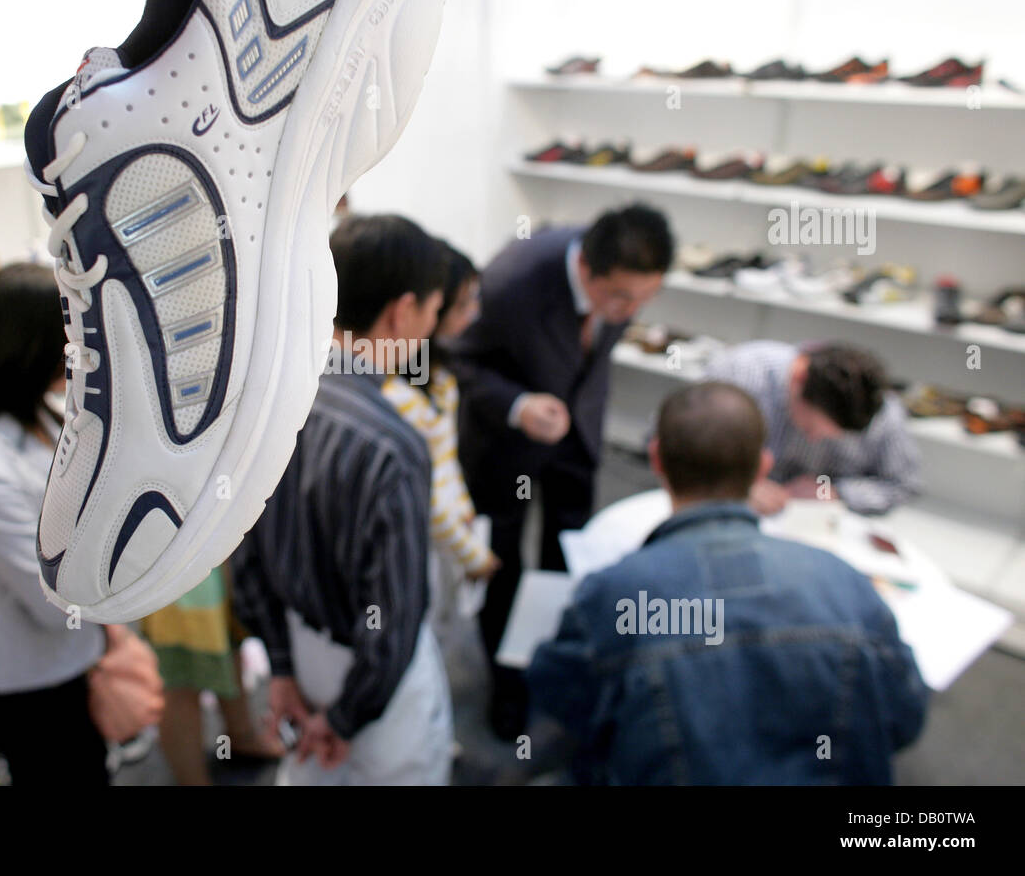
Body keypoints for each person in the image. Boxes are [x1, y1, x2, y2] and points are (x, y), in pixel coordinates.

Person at [528, 381, 928, 785]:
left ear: (656, 459)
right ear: (763, 467)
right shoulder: (846, 584)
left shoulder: (615, 594)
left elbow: (561, 697)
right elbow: (904, 715)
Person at [232, 214, 453, 786]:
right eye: (432, 312)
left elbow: (246, 558)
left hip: (301, 653)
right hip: (376, 684)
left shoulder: (263, 407)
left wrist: (280, 668)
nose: (430, 331)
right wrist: (347, 718)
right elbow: (394, 614)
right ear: (401, 312)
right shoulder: (393, 444)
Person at [449, 204, 675, 737]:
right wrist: (519, 404)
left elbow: (598, 343)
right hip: (504, 441)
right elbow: (457, 355)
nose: (629, 312)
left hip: (578, 431)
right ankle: (506, 681)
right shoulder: (511, 280)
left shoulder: (624, 288)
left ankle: (553, 662)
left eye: (644, 299)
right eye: (620, 297)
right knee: (501, 561)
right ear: (586, 272)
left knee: (568, 551)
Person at [0, 263, 163, 786]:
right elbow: (51, 602)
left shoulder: (41, 418)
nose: (77, 347)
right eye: (67, 333)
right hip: (33, 684)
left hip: (73, 662)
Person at [381, 240, 500, 631]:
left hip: (446, 531)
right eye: (464, 303)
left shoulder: (436, 371)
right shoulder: (398, 396)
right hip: (421, 542)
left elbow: (445, 459)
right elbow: (425, 495)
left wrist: (463, 507)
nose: (475, 313)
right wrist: (474, 557)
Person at [704, 340, 921, 516]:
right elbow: (683, 445)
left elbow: (902, 485)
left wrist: (833, 492)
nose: (814, 439)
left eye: (834, 437)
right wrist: (736, 486)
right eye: (808, 428)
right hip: (729, 509)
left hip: (818, 525)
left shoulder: (885, 415)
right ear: (799, 378)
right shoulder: (740, 372)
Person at [139, 565, 283, 786]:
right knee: (180, 677)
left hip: (211, 547)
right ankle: (193, 781)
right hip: (169, 563)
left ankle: (242, 735)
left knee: (228, 636)